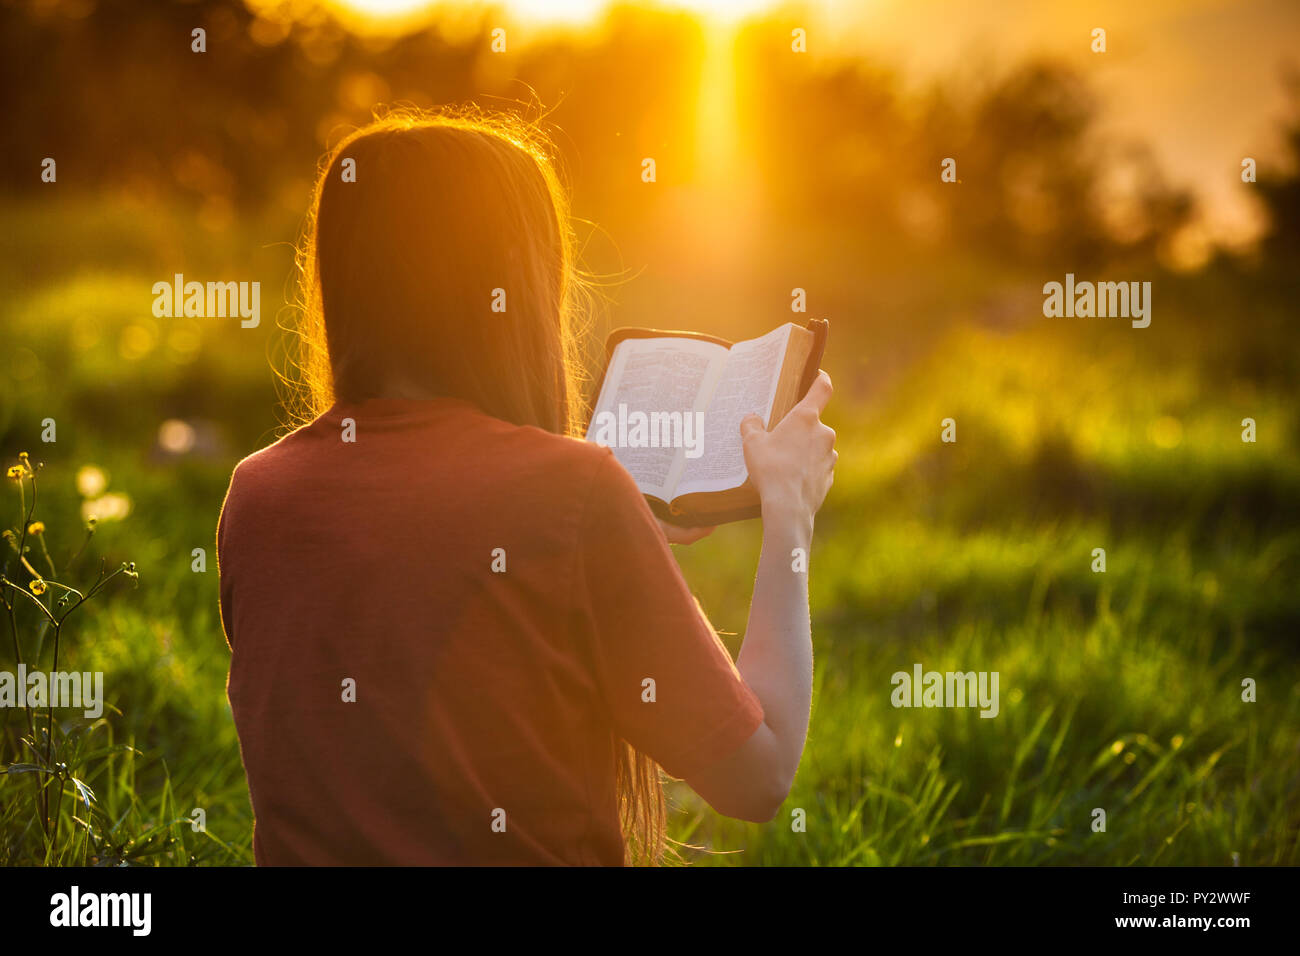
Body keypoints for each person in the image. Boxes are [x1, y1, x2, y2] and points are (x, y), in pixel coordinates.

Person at [216, 108, 836, 865]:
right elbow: (759, 776)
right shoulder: (570, 497)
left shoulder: (258, 495)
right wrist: (791, 519)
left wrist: (605, 539)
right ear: (513, 284)